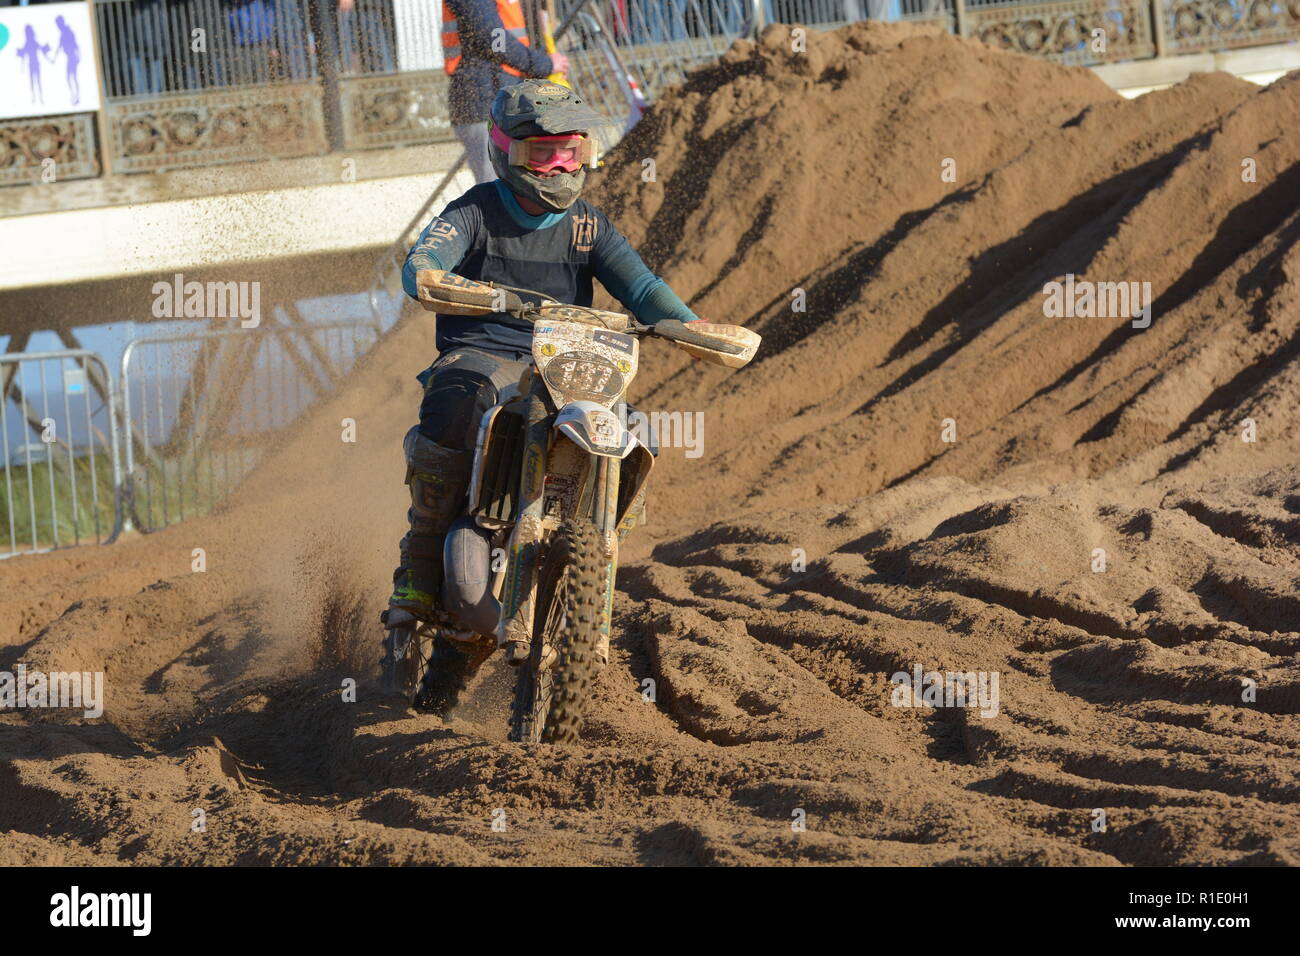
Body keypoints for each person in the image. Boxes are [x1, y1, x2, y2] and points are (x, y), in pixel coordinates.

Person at [387, 79, 704, 714]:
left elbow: (642, 289)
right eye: (542, 155)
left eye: (569, 152)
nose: (558, 168)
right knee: (458, 398)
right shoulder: (475, 212)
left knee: (634, 426)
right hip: (483, 350)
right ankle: (419, 568)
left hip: (565, 358)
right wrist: (433, 277)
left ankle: (592, 536)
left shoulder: (588, 227)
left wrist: (691, 326)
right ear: (505, 150)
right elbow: (425, 261)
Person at [440, 0, 569, 183]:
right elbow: (494, 39)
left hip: (507, 102)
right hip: (483, 103)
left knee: (524, 187)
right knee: (497, 188)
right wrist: (544, 64)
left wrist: (546, 64)